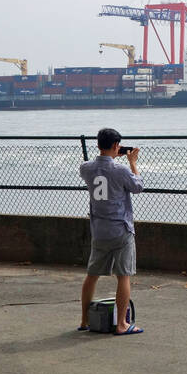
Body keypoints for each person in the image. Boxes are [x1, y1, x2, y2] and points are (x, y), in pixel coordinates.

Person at [78, 128, 143, 335]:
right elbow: (138, 187)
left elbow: (96, 171)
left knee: (92, 274)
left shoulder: (86, 168)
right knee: (123, 275)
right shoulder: (121, 170)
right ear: (117, 146)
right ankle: (122, 324)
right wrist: (132, 162)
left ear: (97, 145)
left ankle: (84, 320)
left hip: (99, 229)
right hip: (121, 228)